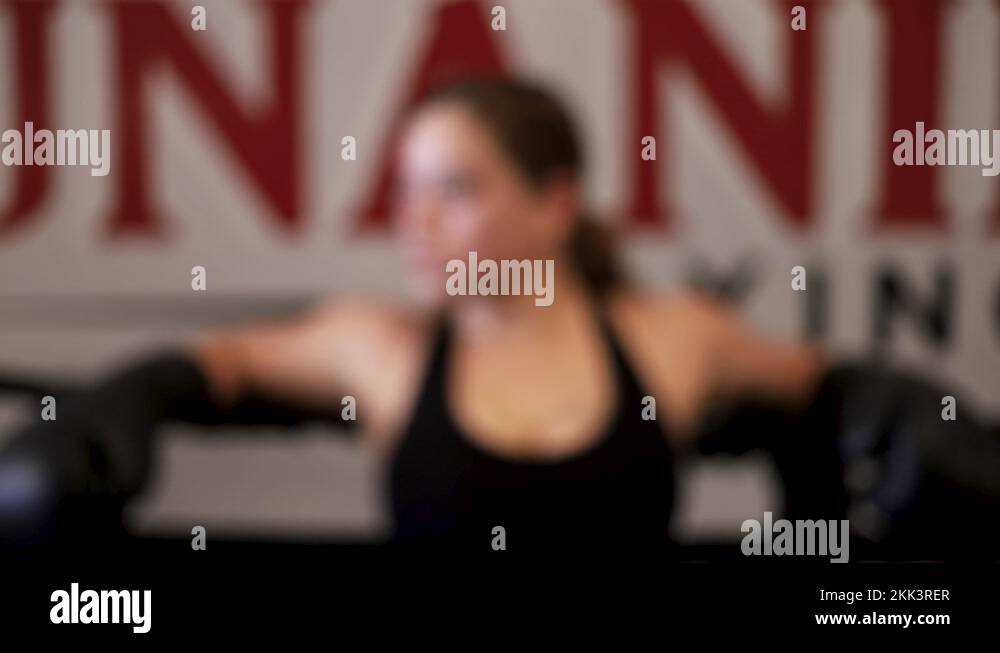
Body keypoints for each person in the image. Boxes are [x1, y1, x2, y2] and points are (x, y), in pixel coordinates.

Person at [0, 76, 995, 555]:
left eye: (455, 189)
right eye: (405, 191)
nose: (416, 221)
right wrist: (92, 422)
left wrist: (917, 413)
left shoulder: (667, 336)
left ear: (553, 202)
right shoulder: (378, 347)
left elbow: (825, 381)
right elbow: (205, 362)